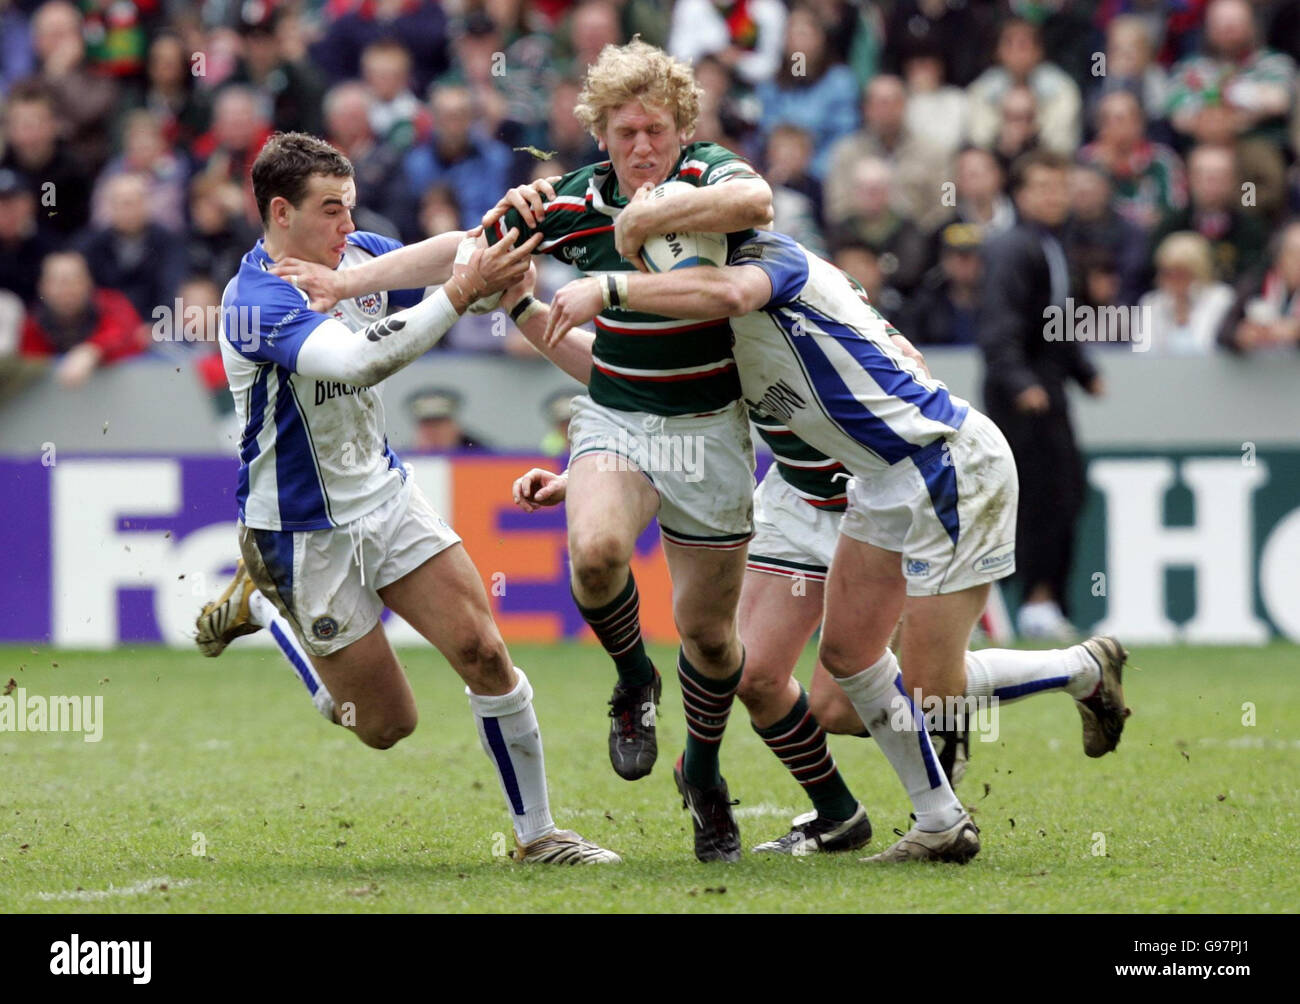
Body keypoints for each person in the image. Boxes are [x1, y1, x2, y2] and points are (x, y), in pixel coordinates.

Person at [533, 216, 1131, 862]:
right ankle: (902, 819)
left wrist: (609, 289)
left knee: (924, 694)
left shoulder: (767, 268)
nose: (656, 267)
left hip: (930, 466)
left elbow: (747, 303)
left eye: (659, 250)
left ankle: (1076, 672)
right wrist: (524, 320)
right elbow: (632, 384)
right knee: (824, 676)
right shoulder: (705, 305)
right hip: (843, 487)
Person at [192, 131, 618, 865]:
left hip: (385, 495)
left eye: (351, 208)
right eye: (332, 211)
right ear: (281, 212)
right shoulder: (254, 301)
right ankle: (264, 607)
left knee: (485, 651)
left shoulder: (352, 257)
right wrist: (460, 292)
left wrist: (513, 225)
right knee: (387, 725)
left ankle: (539, 837)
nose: (348, 228)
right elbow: (359, 363)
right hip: (300, 533)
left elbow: (455, 246)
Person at [474, 39, 776, 863]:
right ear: (599, 133)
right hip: (617, 421)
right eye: (624, 131)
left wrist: (648, 221)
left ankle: (705, 775)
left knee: (712, 641)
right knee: (598, 552)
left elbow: (759, 202)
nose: (642, 146)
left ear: (683, 127)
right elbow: (471, 250)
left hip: (712, 432)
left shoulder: (708, 177)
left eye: (656, 129)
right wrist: (363, 285)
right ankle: (634, 679)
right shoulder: (573, 201)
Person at [980, 150, 1104, 642]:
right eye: (1044, 187)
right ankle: (1025, 601)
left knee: (1066, 493)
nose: (1055, 196)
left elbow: (1060, 326)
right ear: (1020, 193)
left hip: (1048, 391)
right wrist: (1018, 381)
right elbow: (998, 326)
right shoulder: (1009, 248)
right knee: (1030, 498)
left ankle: (1046, 597)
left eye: (1061, 185)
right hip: (1021, 397)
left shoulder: (1054, 246)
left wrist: (1083, 372)